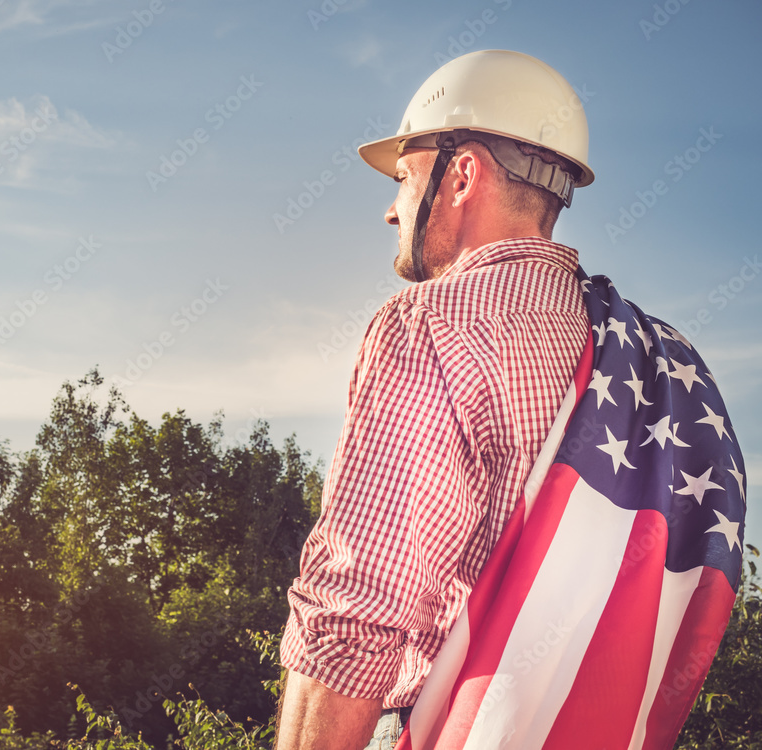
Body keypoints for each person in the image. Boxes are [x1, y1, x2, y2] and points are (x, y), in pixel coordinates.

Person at [275, 50, 745, 750]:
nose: (390, 209)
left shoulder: (432, 324)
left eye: (405, 178)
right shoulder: (668, 359)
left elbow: (356, 612)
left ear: (461, 174)